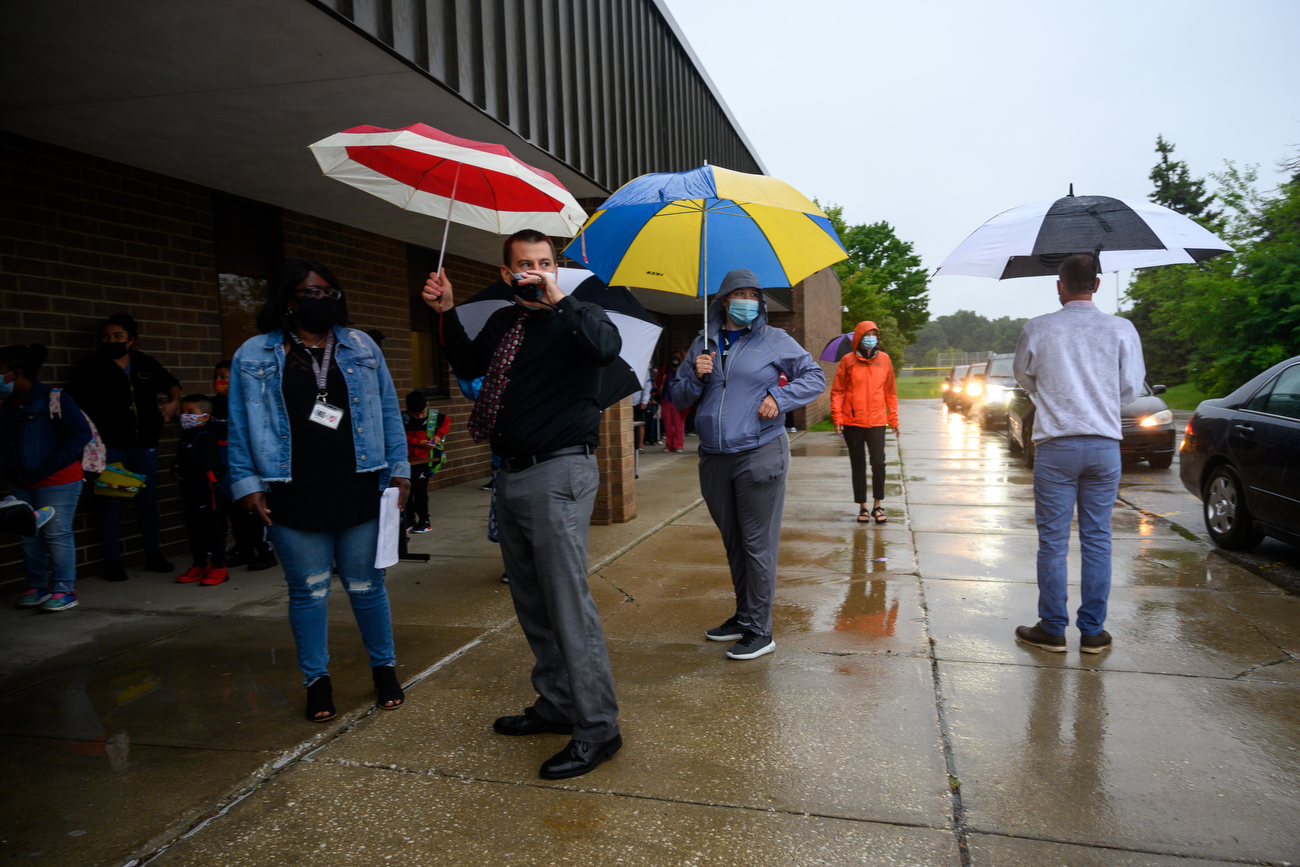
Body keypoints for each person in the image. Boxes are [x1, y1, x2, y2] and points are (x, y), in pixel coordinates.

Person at [422, 228, 623, 780]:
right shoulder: (505, 323)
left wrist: (560, 302)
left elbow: (606, 349)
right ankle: (557, 703)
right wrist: (445, 310)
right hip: (510, 474)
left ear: (555, 269)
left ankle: (598, 727)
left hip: (559, 473)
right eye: (524, 264)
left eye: (544, 263)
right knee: (532, 600)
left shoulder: (580, 317)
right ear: (507, 273)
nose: (534, 271)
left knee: (566, 603)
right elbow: (467, 362)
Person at [227, 258, 410, 722]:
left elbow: (389, 410)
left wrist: (401, 470)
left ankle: (384, 670)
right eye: (312, 292)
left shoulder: (362, 346)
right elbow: (239, 425)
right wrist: (246, 482)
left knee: (367, 587)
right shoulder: (253, 354)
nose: (323, 300)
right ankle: (317, 681)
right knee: (308, 592)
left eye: (331, 293)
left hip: (359, 485)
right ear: (289, 299)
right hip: (292, 490)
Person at [670, 268, 827, 660]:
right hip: (714, 457)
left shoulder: (774, 339)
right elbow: (678, 396)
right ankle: (744, 617)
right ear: (724, 299)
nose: (749, 301)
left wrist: (779, 397)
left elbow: (814, 376)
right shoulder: (703, 343)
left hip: (760, 452)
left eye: (754, 295)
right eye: (740, 294)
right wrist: (696, 376)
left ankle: (760, 629)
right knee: (734, 542)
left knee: (757, 544)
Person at [1012, 253, 1145, 654]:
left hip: (1056, 447)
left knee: (1053, 541)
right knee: (1097, 539)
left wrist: (1053, 391)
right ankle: (1092, 632)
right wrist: (1098, 399)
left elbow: (1023, 377)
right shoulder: (1121, 329)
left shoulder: (1038, 328)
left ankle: (1053, 628)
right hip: (1104, 446)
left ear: (1060, 286)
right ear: (1097, 284)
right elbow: (1130, 388)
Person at [69, 312, 181, 581]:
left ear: (131, 340)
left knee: (147, 500)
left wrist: (173, 402)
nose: (112, 341)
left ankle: (153, 554)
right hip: (112, 448)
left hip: (145, 446)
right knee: (112, 502)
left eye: (118, 336)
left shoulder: (144, 363)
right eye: (106, 336)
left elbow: (171, 383)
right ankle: (113, 561)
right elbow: (74, 404)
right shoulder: (90, 367)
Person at [0, 344, 93, 612]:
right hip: (21, 480)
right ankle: (37, 587)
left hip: (57, 480)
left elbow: (81, 433)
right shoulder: (8, 405)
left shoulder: (55, 398)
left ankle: (64, 589)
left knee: (55, 533)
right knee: (28, 535)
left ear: (16, 373)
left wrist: (50, 463)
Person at [830, 321, 900, 524]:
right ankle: (863, 506)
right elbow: (837, 391)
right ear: (859, 338)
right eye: (867, 334)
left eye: (874, 334)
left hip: (877, 421)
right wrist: (837, 417)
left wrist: (893, 419)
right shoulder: (848, 360)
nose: (871, 338)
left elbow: (890, 392)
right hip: (852, 422)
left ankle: (878, 505)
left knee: (878, 462)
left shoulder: (884, 359)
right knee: (858, 464)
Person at [172, 394, 229, 586]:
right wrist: (176, 470)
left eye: (190, 412)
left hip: (206, 492)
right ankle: (199, 564)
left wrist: (188, 472)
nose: (185, 415)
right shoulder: (186, 436)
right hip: (189, 491)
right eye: (183, 411)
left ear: (205, 416)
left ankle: (219, 566)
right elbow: (180, 461)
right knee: (194, 529)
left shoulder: (206, 437)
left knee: (211, 529)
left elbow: (209, 467)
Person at [403, 390, 448, 534]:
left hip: (425, 461)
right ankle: (409, 520)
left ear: (427, 404)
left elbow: (446, 422)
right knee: (406, 491)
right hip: (408, 461)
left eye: (422, 413)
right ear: (408, 409)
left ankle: (424, 521)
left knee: (420, 492)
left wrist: (438, 436)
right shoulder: (404, 419)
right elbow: (401, 436)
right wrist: (418, 442)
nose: (419, 417)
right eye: (415, 414)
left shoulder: (434, 417)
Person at [658, 352, 686, 452]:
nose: (675, 359)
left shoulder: (684, 369)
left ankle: (678, 445)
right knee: (667, 423)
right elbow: (658, 379)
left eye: (677, 357)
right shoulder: (666, 368)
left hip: (678, 400)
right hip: (666, 399)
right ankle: (669, 444)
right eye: (673, 357)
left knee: (678, 423)